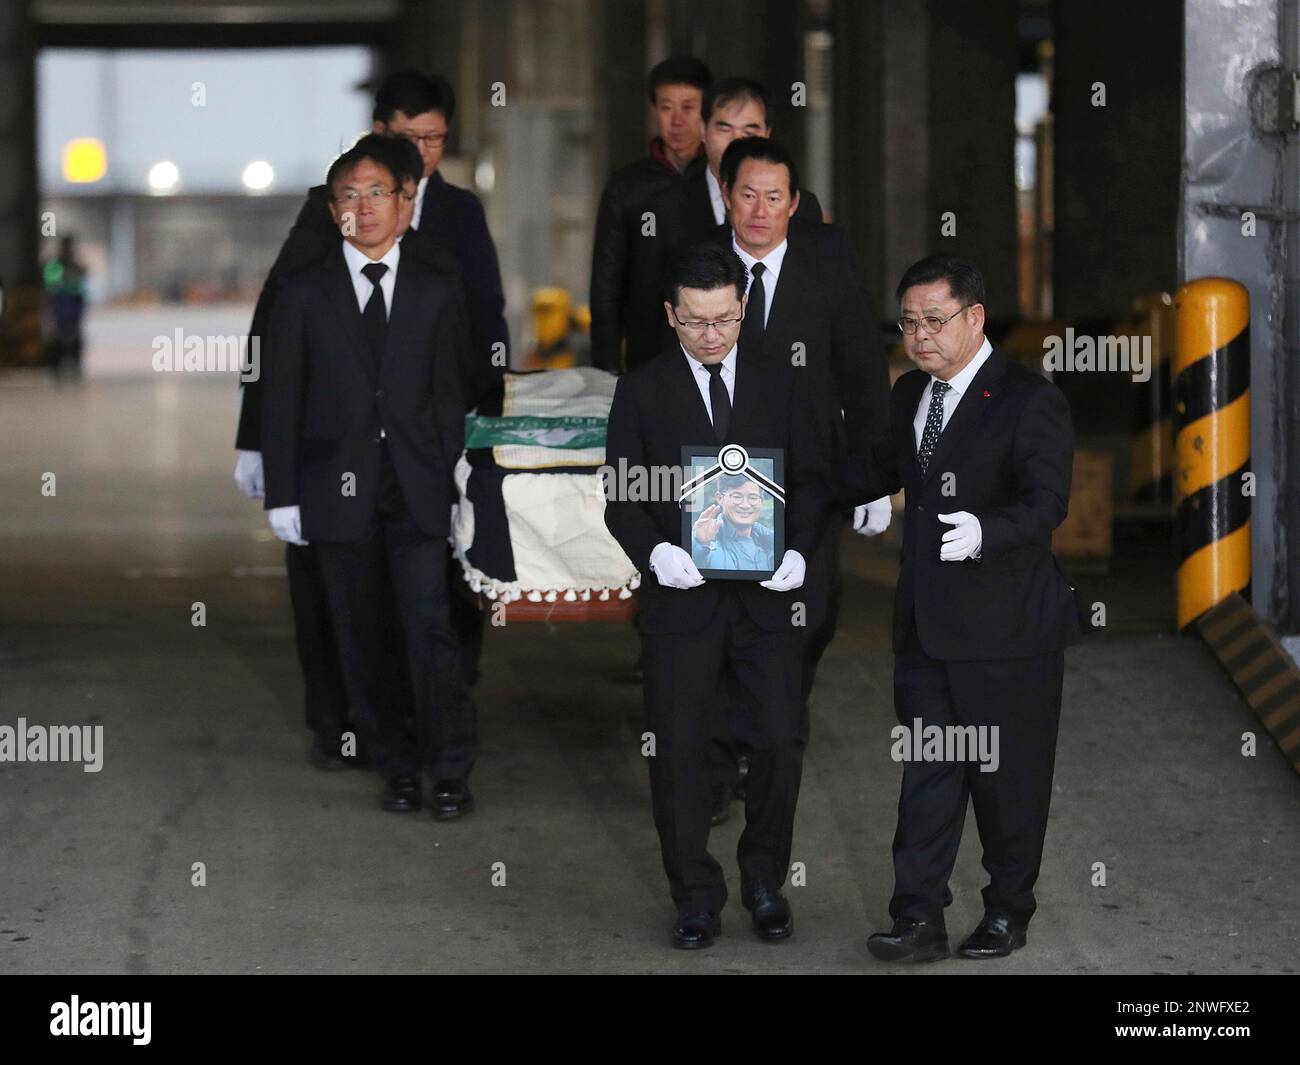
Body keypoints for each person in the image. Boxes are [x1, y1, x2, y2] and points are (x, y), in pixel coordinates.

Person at [603, 242, 830, 949]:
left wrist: (800, 551)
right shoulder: (641, 389)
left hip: (767, 601)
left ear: (744, 308)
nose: (712, 335)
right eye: (697, 321)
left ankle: (764, 882)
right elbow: (620, 495)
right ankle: (695, 896)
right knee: (678, 748)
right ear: (671, 314)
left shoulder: (781, 383)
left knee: (780, 741)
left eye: (725, 320)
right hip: (682, 601)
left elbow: (814, 480)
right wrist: (656, 554)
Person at [860, 254, 1081, 962]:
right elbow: (880, 469)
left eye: (934, 320)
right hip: (927, 629)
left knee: (1007, 783)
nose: (919, 336)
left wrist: (987, 532)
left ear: (975, 317)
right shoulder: (909, 395)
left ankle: (1008, 911)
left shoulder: (1027, 399)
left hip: (1008, 631)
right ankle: (917, 917)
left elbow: (1047, 503)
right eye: (908, 322)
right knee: (927, 778)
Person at [260, 141, 477, 820]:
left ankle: (449, 767)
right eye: (349, 195)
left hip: (417, 488)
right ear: (334, 212)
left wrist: (461, 484)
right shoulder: (304, 291)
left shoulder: (438, 285)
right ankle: (397, 765)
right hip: (335, 490)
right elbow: (281, 397)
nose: (364, 206)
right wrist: (283, 494)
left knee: (429, 628)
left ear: (403, 203)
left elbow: (452, 395)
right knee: (361, 636)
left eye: (377, 192)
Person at [234, 134, 428, 772]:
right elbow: (273, 334)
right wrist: (258, 443)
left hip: (409, 463)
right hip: (327, 459)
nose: (376, 205)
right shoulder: (327, 227)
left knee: (417, 606)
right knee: (327, 599)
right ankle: (335, 723)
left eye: (395, 193)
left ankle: (410, 725)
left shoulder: (451, 224)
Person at [711, 136, 893, 703]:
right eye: (748, 195)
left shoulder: (829, 257)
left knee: (812, 610)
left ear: (793, 202)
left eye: (774, 197)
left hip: (812, 466)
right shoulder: (700, 260)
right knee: (726, 612)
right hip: (719, 468)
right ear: (726, 194)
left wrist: (874, 475)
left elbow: (863, 369)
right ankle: (749, 729)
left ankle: (777, 713)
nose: (760, 211)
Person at [590, 55, 712, 373]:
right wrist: (606, 371)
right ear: (654, 111)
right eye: (666, 107)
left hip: (717, 352)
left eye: (688, 107)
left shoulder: (724, 182)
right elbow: (606, 287)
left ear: (707, 111)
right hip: (647, 357)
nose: (677, 120)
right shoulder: (626, 187)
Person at [691, 473, 776, 572]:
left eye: (753, 498)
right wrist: (699, 544)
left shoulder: (771, 542)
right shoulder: (704, 541)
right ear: (720, 498)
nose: (745, 505)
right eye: (737, 497)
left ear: (761, 500)